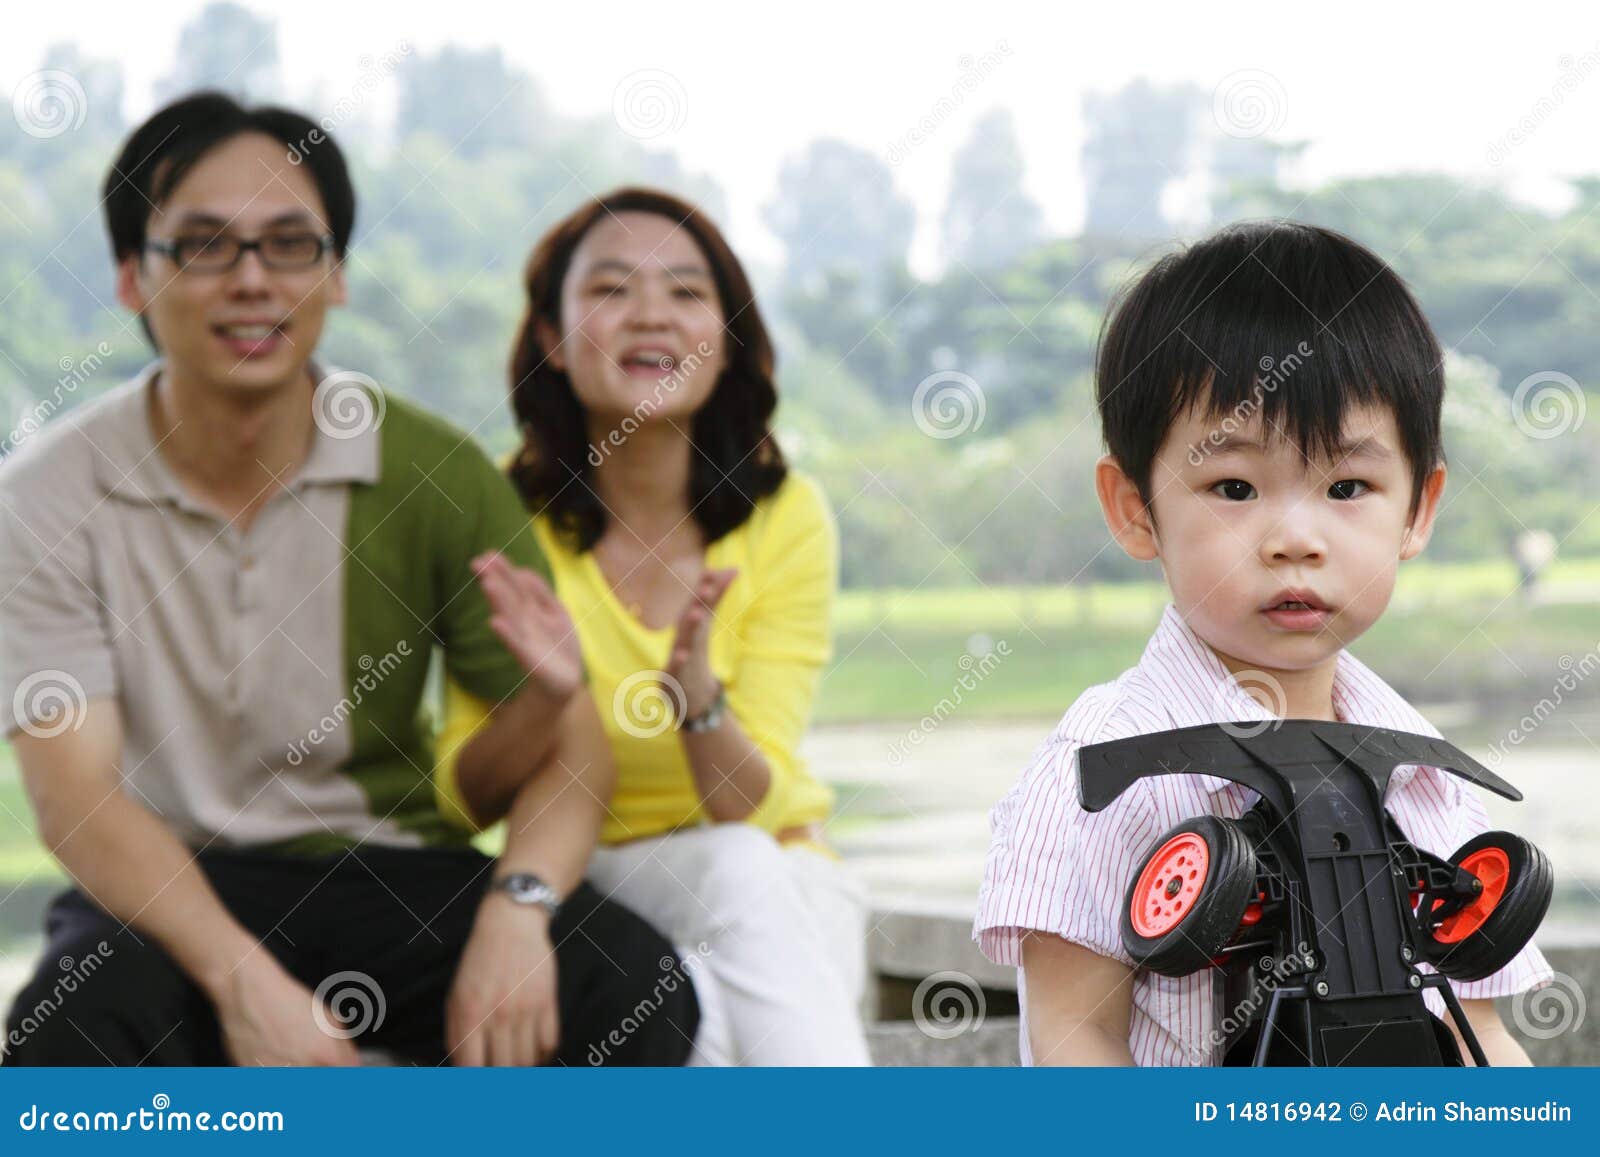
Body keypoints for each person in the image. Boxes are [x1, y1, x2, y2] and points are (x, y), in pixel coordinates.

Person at [0, 93, 696, 1067]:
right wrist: (244, 982)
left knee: (623, 979)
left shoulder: (428, 471)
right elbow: (76, 797)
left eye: (291, 244)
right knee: (73, 1032)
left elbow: (572, 745)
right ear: (130, 277)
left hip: (386, 874)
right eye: (204, 245)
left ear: (337, 276)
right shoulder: (43, 494)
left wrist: (519, 908)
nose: (252, 281)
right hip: (173, 891)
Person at [973, 220, 1554, 1066]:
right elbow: (1074, 1036)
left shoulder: (1429, 776)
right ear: (1136, 508)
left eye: (1347, 486)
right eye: (1235, 486)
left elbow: (1482, 1035)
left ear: (1418, 509)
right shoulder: (1102, 768)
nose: (1294, 538)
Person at [436, 188, 871, 1065]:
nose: (650, 316)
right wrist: (543, 699)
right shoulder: (496, 517)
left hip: (780, 867)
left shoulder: (785, 517)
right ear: (552, 340)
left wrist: (698, 700)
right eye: (609, 290)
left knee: (719, 977)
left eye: (685, 291)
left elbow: (750, 802)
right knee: (721, 915)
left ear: (726, 341)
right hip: (591, 873)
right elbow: (466, 793)